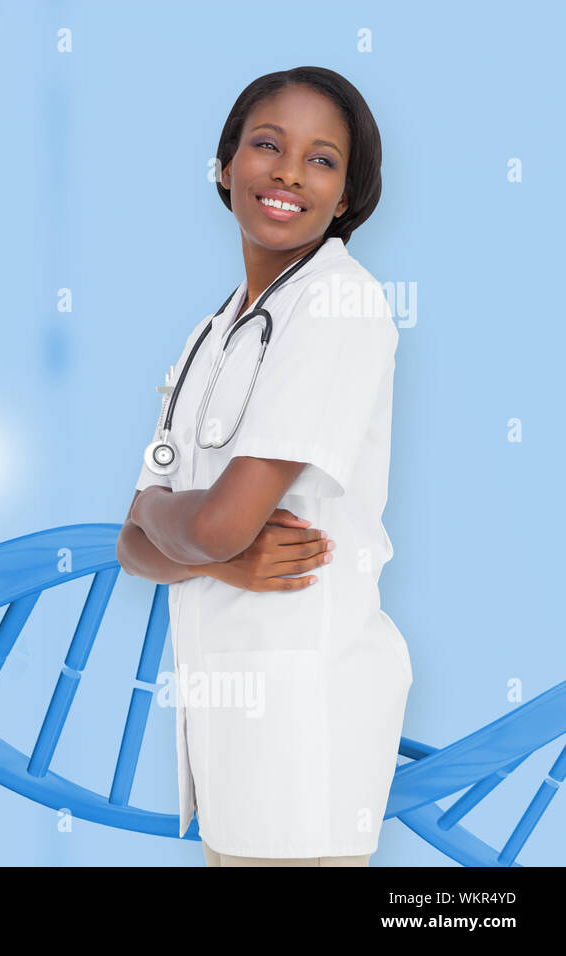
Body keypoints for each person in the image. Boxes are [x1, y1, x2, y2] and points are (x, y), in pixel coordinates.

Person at [115, 66, 412, 867]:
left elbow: (203, 523)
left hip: (304, 743)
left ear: (347, 197)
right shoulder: (210, 335)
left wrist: (182, 527)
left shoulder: (339, 304)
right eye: (267, 145)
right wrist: (206, 547)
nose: (287, 172)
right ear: (224, 167)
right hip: (227, 745)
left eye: (321, 160)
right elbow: (130, 546)